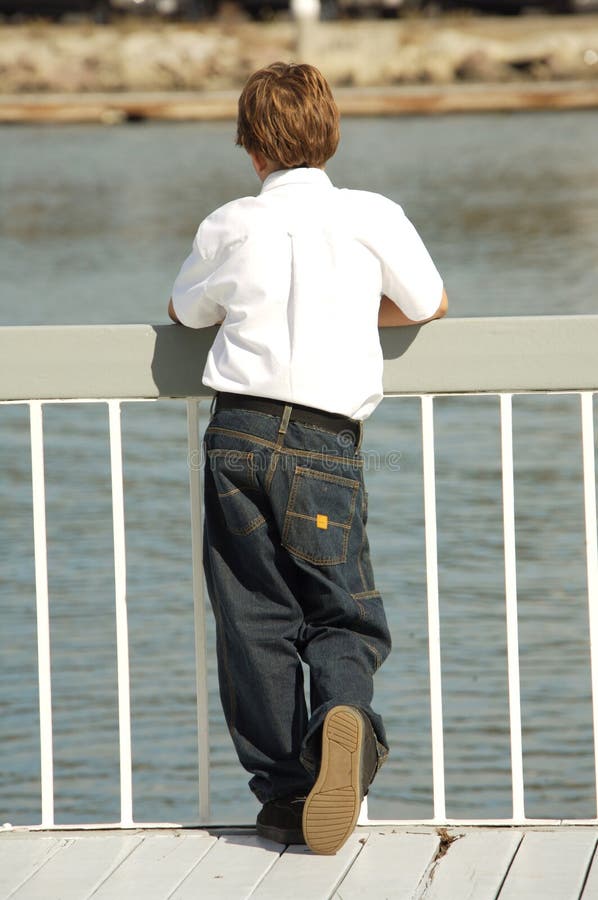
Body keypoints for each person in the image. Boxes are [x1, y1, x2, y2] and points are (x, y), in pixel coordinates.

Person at [168, 61, 447, 855]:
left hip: (236, 435)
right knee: (341, 609)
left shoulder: (229, 223)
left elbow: (185, 310)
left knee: (251, 618)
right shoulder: (372, 215)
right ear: (332, 136)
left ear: (251, 148)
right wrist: (357, 313)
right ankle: (342, 718)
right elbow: (430, 303)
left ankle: (287, 798)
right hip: (324, 441)